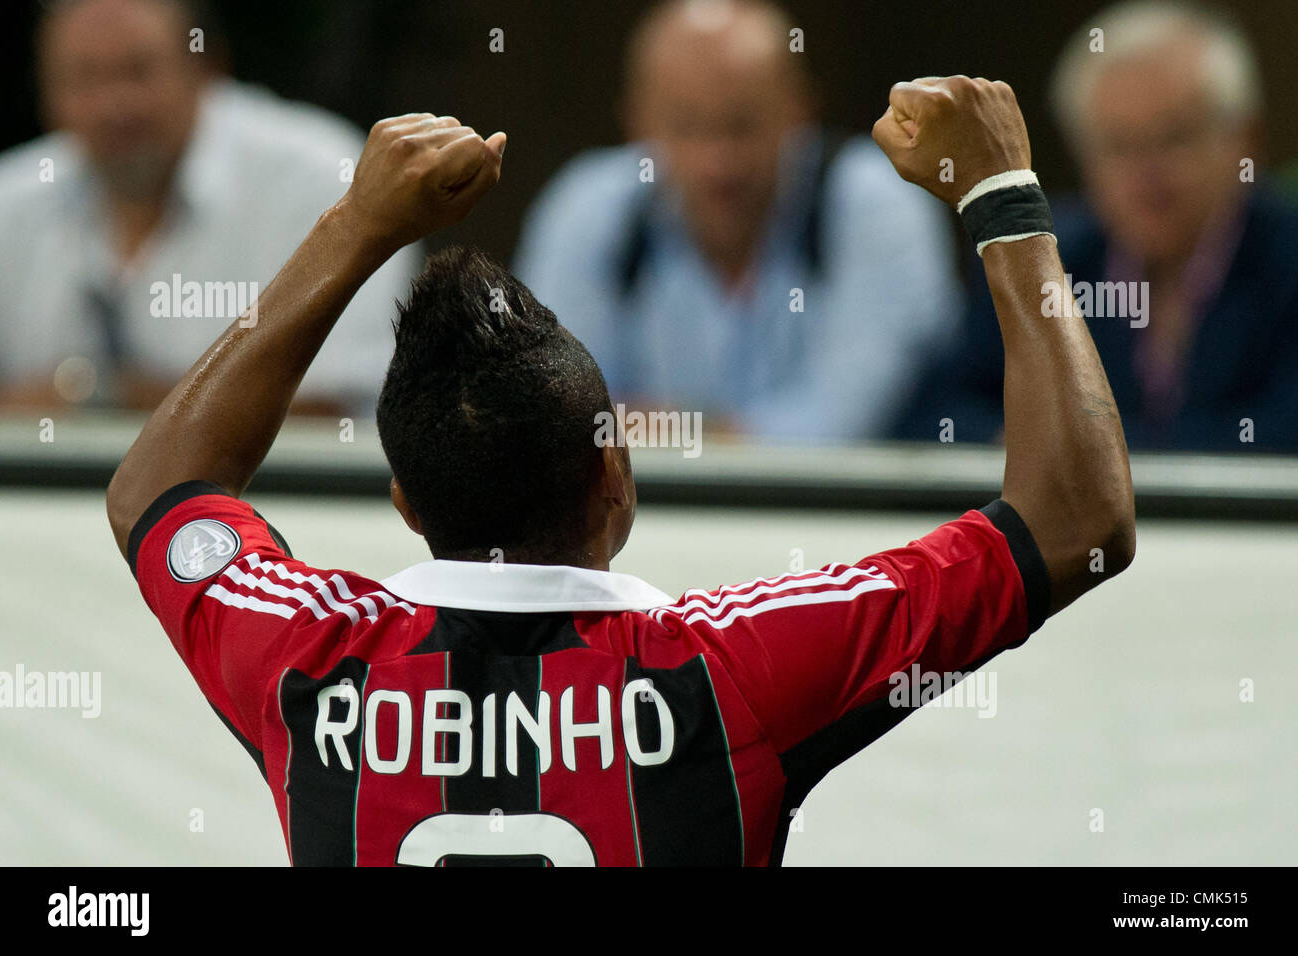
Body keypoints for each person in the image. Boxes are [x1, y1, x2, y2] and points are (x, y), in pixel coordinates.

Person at [106, 80, 1135, 865]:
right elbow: (1077, 516)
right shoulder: (730, 671)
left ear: (405, 502)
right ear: (616, 472)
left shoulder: (308, 659)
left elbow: (160, 486)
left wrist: (356, 227)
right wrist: (1003, 197)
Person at [514, 0, 961, 441]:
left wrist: (666, 431)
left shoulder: (873, 200)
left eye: (743, 126)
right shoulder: (586, 207)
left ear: (800, 110)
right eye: (687, 126)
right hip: (639, 513)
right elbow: (561, 419)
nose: (718, 162)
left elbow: (846, 422)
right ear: (637, 121)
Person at [892, 0, 1298, 452]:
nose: (1148, 173)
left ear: (1247, 138)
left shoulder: (1287, 257)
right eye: (1119, 146)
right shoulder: (1039, 254)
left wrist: (1074, 454)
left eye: (1176, 138)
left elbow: (1281, 434)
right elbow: (931, 416)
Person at [0, 0, 419, 415]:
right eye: (84, 78)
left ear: (204, 67)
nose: (112, 106)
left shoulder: (323, 178)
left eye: (137, 71)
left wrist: (96, 397)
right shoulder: (12, 197)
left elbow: (333, 408)